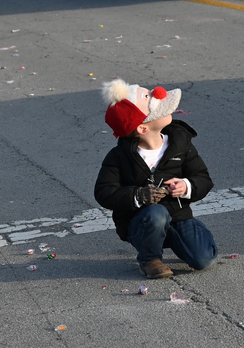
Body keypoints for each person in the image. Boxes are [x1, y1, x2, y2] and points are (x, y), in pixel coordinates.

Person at [93, 79, 217, 280]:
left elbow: (203, 178)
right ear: (142, 129)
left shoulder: (179, 144)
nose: (159, 95)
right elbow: (104, 193)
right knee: (157, 213)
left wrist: (186, 186)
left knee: (204, 260)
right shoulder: (119, 156)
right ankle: (150, 259)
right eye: (149, 98)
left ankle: (188, 234)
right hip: (141, 221)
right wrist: (138, 195)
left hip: (178, 216)